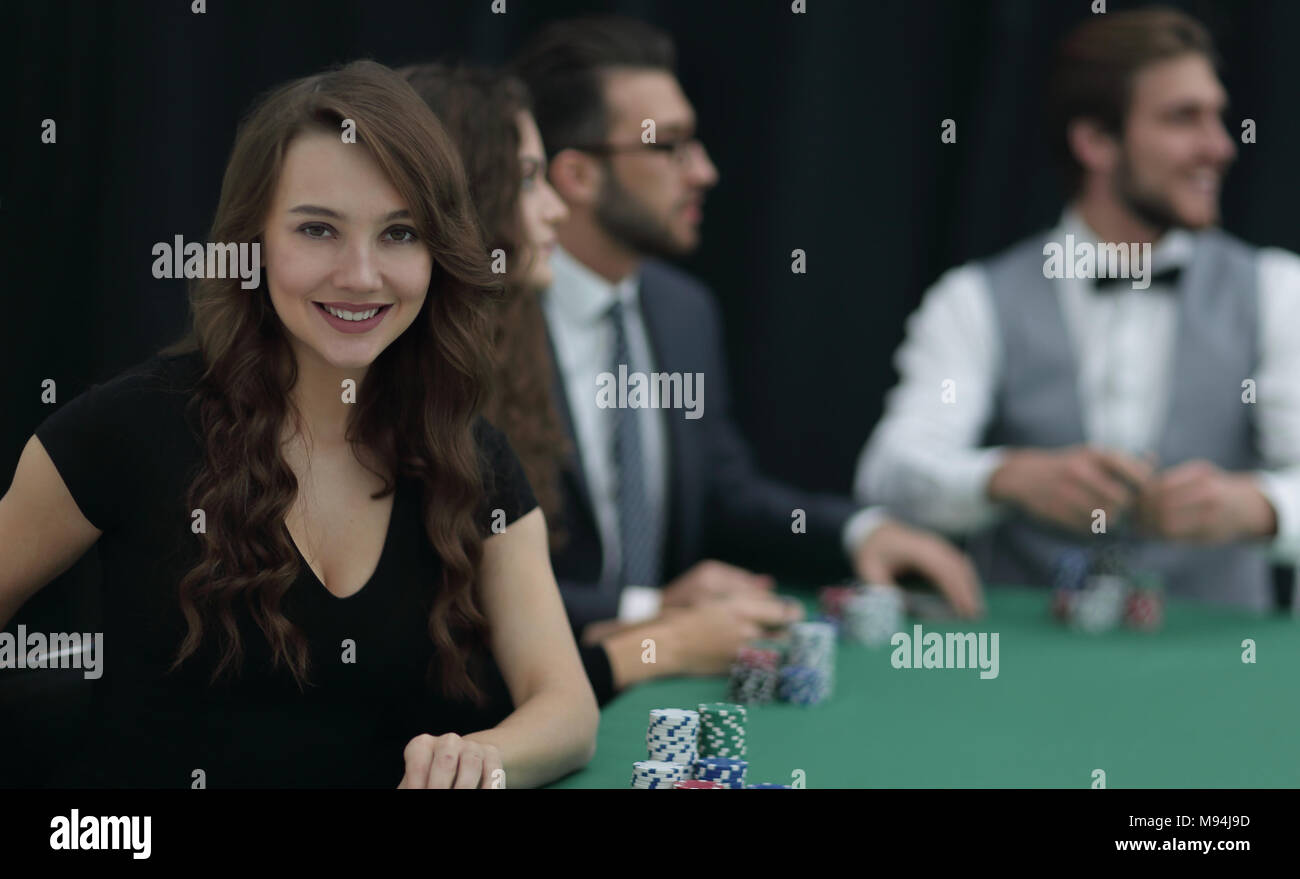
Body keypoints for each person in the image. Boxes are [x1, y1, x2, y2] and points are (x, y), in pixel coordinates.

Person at [0, 60, 597, 788]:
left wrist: (484, 756)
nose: (360, 273)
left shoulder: (471, 455)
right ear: (252, 242)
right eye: (318, 229)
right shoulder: (127, 426)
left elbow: (567, 707)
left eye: (400, 234)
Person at [512, 15, 985, 653]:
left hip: (661, 687)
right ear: (578, 176)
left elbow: (724, 495)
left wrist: (860, 534)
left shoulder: (683, 312)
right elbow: (455, 579)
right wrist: (648, 609)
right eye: (669, 146)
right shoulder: (482, 321)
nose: (703, 171)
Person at [855, 9, 1300, 611]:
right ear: (1095, 141)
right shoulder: (975, 299)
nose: (1219, 147)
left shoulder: (1276, 289)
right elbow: (892, 472)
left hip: (1218, 668)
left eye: (1217, 117)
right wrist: (1005, 477)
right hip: (1022, 671)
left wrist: (1258, 507)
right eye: (1182, 119)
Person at [401, 62, 800, 703]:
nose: (553, 209)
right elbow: (448, 652)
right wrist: (657, 631)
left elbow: (507, 613)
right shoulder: (398, 396)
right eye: (529, 180)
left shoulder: (519, 349)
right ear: (465, 200)